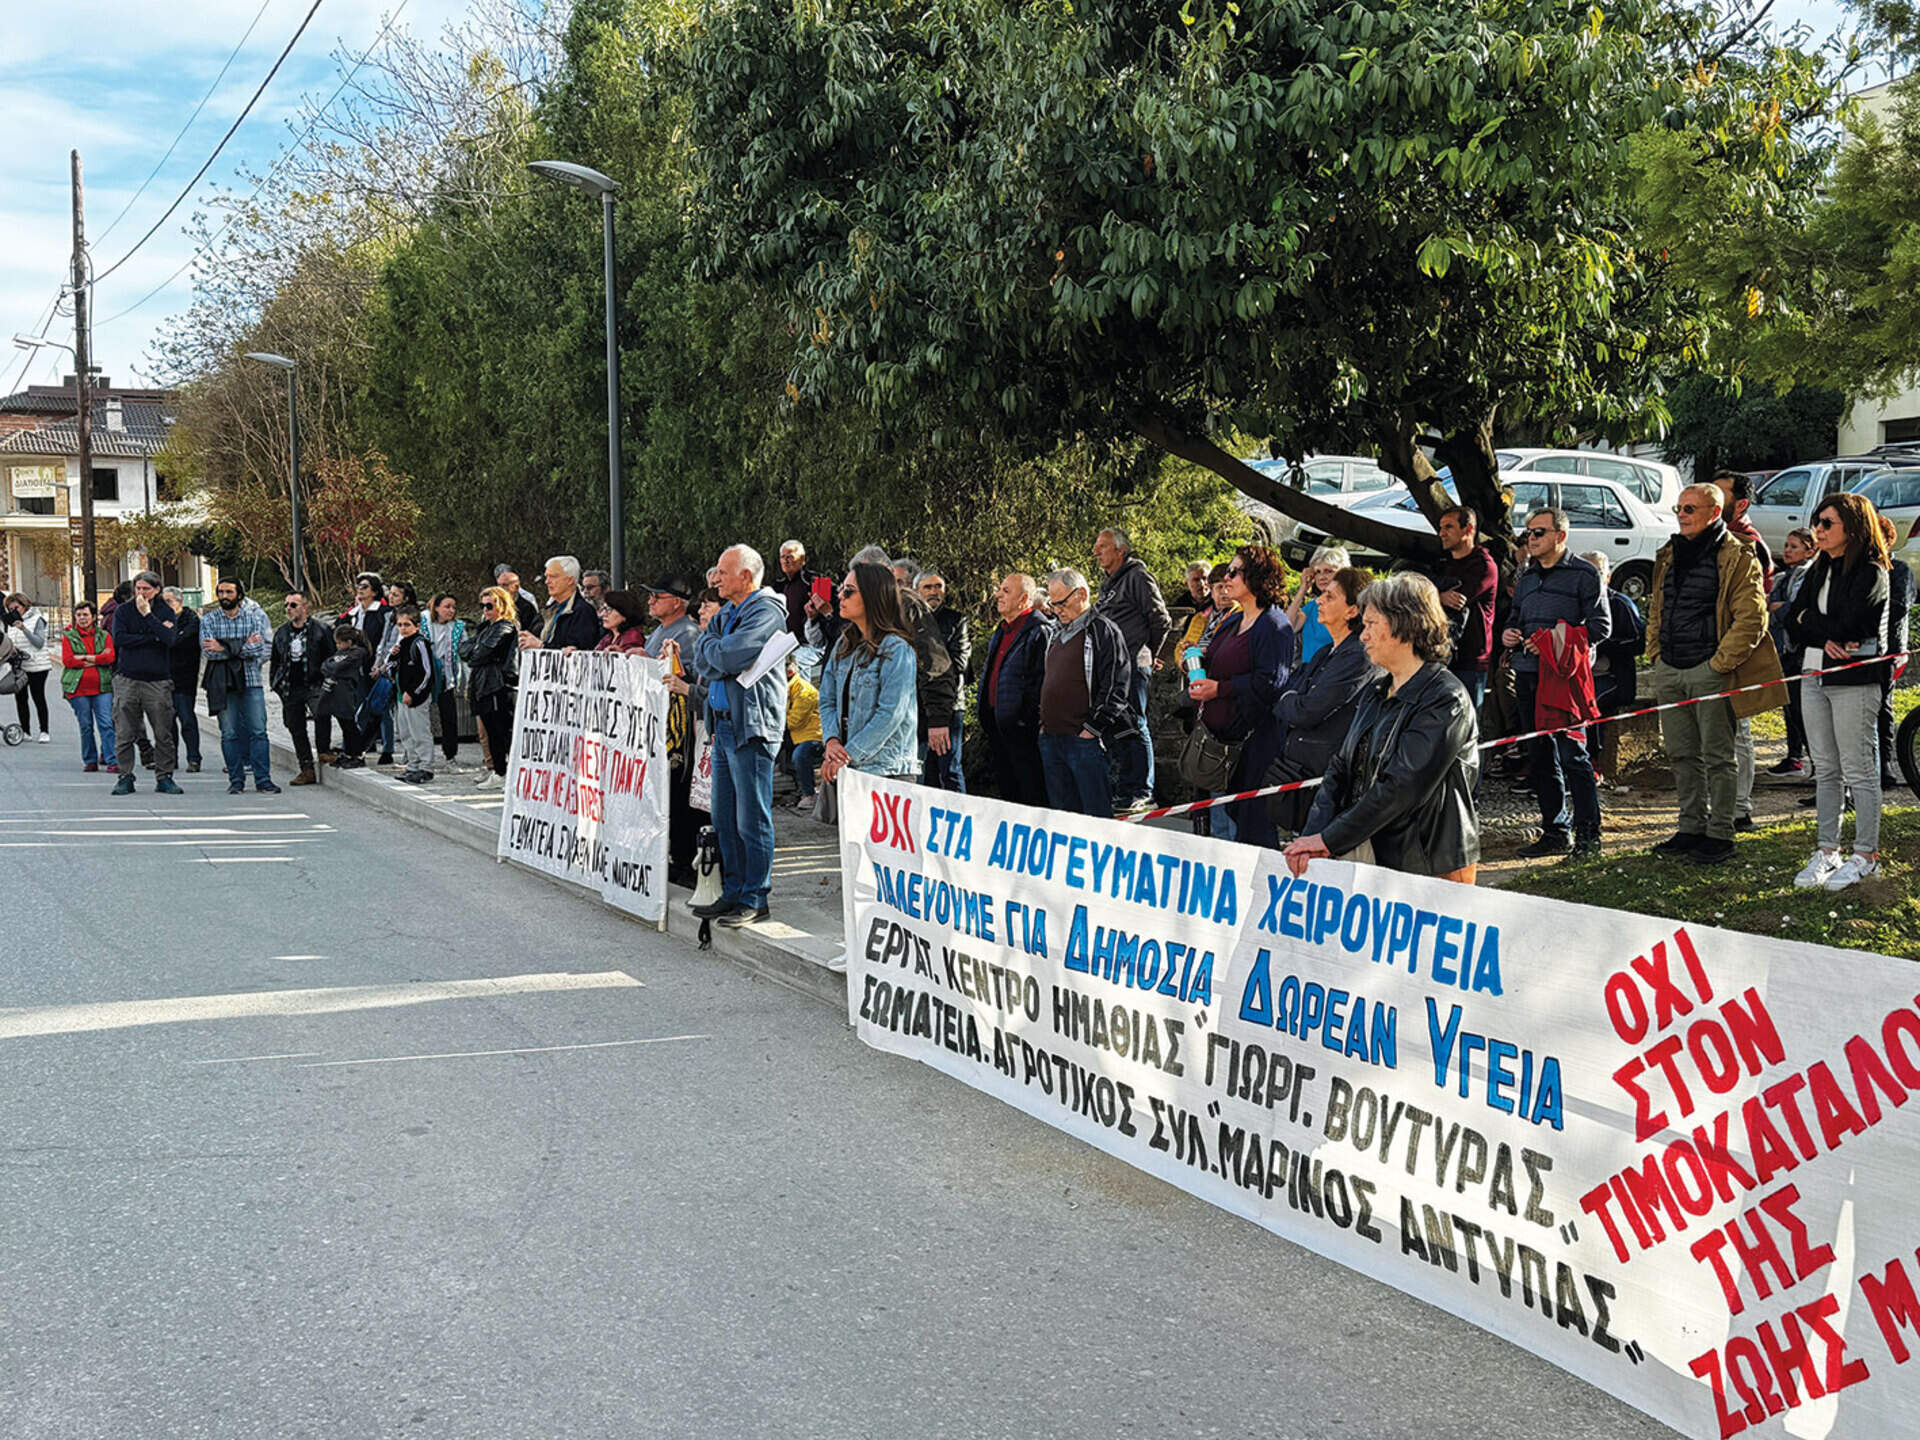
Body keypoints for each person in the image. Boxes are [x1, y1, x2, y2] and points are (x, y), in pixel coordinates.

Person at [1284, 574, 1480, 881]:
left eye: (1372, 624)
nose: (1363, 635)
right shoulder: (1377, 691)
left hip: (1429, 865)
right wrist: (1313, 836)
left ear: (1405, 623)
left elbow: (1402, 786)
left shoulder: (1446, 698)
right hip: (1372, 853)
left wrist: (1328, 840)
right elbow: (1340, 768)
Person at [1644, 485, 1773, 864]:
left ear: (1714, 512)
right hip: (1671, 665)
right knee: (1681, 754)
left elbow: (1752, 617)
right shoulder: (1668, 553)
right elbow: (1657, 606)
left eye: (1690, 508)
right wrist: (1656, 653)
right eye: (1678, 507)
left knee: (1718, 756)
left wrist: (1718, 664)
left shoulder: (1736, 555)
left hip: (1709, 668)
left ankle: (1720, 832)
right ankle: (1690, 827)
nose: (1681, 514)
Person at [1786, 491, 1892, 891]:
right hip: (1814, 673)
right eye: (1817, 521)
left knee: (1859, 769)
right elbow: (1793, 618)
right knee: (1826, 768)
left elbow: (1853, 623)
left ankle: (1865, 853)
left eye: (1827, 523)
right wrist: (1818, 627)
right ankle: (1827, 849)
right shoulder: (1817, 568)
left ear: (1853, 526)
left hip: (1854, 680)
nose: (1819, 530)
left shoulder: (1871, 570)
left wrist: (1813, 622)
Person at [1503, 507, 1610, 858]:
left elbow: (1600, 627)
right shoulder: (1527, 576)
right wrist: (1510, 633)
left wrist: (1551, 639)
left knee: (1572, 756)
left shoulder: (1584, 574)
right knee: (1540, 756)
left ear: (1560, 536)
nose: (1530, 539)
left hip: (1562, 680)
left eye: (1538, 532)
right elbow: (1514, 616)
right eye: (1528, 532)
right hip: (1527, 675)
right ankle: (1555, 831)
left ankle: (1589, 836)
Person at [692, 544, 790, 928]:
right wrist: (717, 650)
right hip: (723, 724)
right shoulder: (730, 611)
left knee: (752, 818)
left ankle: (755, 896)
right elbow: (707, 654)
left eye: (723, 571)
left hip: (750, 726)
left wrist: (716, 651)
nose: (716, 578)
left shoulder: (765, 612)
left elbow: (731, 656)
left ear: (746, 576)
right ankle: (732, 891)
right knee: (724, 816)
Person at [1186, 545, 1293, 846]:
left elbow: (1272, 683)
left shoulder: (1274, 626)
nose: (1227, 578)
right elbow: (1218, 661)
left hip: (1252, 748)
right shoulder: (1232, 620)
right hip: (1221, 745)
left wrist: (1220, 689)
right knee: (1223, 826)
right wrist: (1195, 661)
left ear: (1256, 577)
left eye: (1234, 572)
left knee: (1251, 831)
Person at [1270, 567, 1377, 836]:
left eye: (1329, 596)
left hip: (1328, 791)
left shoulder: (1358, 657)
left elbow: (1306, 710)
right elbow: (1290, 694)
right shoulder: (1325, 653)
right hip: (1301, 779)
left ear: (1353, 610)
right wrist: (1290, 699)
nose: (1319, 600)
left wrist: (1289, 700)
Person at [819, 562, 920, 796]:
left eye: (849, 591)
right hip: (849, 766)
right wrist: (832, 742)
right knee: (847, 834)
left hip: (887, 771)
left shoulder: (897, 649)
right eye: (841, 589)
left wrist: (847, 754)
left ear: (873, 596)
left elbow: (890, 713)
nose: (840, 596)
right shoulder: (844, 645)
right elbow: (827, 699)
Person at [1038, 567, 1131, 817]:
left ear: (1081, 594)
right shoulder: (1055, 632)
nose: (1056, 609)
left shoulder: (1103, 630)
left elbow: (1116, 686)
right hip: (1052, 738)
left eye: (1061, 602)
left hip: (1084, 741)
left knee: (1095, 819)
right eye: (1052, 603)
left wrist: (1091, 730)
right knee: (1062, 818)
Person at [1092, 527, 1171, 809]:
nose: (1095, 552)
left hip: (1133, 664)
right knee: (1120, 725)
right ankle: (1126, 787)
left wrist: (1147, 652)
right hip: (1111, 669)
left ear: (1120, 550)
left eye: (1102, 546)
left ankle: (1142, 790)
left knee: (1137, 723)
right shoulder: (1107, 584)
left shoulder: (1137, 576)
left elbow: (1161, 619)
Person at [977, 572, 1054, 807]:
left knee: (1031, 795)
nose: (998, 595)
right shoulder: (1001, 631)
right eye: (1000, 589)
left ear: (1024, 599)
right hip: (998, 728)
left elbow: (1041, 683)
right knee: (1009, 795)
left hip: (1023, 732)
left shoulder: (1039, 632)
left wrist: (1025, 719)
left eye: (1006, 591)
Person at [647, 575, 704, 888]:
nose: (652, 600)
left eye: (658, 595)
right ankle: (674, 855)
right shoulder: (659, 631)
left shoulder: (689, 633)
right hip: (660, 726)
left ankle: (685, 860)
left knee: (681, 797)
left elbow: (692, 677)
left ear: (677, 602)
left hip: (680, 730)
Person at [199, 577, 278, 795]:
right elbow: (208, 652)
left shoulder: (253, 618)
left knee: (258, 731)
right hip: (222, 683)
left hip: (251, 681)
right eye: (221, 592)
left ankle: (263, 780)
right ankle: (236, 780)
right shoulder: (210, 620)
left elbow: (257, 650)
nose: (224, 596)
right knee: (230, 732)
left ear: (239, 595)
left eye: (229, 592)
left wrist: (223, 647)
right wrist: (240, 647)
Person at [108, 572, 183, 795]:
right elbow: (120, 640)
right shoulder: (123, 611)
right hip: (128, 678)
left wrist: (148, 616)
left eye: (146, 589)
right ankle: (125, 776)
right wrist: (152, 637)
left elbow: (169, 639)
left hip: (157, 681)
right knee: (124, 732)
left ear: (157, 589)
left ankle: (164, 776)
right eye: (138, 589)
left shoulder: (164, 611)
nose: (141, 593)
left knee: (163, 732)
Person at [1580, 553, 1645, 790]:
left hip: (1613, 677)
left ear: (1607, 577)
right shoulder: (1575, 600)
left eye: (1597, 572)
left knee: (1588, 703)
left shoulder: (1620, 603)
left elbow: (1640, 642)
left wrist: (1602, 642)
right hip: (1580, 675)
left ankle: (1593, 762)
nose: (1592, 577)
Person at [1433, 508, 1498, 711]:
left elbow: (1458, 599)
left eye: (1449, 527)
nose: (1441, 533)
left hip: (1471, 660)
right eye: (1441, 527)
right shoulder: (1443, 563)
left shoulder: (1484, 566)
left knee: (1467, 723)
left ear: (1468, 529)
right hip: (1442, 654)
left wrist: (1435, 592)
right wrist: (1439, 595)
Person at [270, 591, 333, 786]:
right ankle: (306, 768)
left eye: (293, 605)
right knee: (295, 726)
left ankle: (323, 749)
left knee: (322, 712)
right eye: (286, 605)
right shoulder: (281, 632)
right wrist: (276, 683)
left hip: (314, 682)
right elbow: (276, 660)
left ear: (306, 607)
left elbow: (330, 656)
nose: (289, 609)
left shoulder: (321, 630)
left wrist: (328, 681)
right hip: (290, 685)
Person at [460, 586, 521, 789]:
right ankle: (498, 771)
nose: (485, 610)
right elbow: (465, 649)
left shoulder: (506, 626)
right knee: (491, 730)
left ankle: (505, 772)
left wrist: (477, 650)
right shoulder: (486, 627)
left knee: (502, 731)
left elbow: (482, 651)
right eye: (482, 606)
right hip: (483, 683)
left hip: (498, 684)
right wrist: (477, 649)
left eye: (489, 605)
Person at [1766, 528, 1815, 779]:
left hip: (1800, 651)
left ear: (1810, 550)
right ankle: (1794, 756)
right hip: (1781, 649)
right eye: (1786, 545)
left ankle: (1816, 760)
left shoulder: (1809, 576)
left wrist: (1782, 608)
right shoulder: (1783, 577)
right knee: (1788, 706)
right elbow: (1771, 607)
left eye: (1794, 546)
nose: (1787, 550)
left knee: (1801, 707)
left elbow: (1798, 610)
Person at [916, 570, 970, 792]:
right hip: (918, 705)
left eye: (938, 586)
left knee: (950, 769)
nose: (934, 591)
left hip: (950, 704)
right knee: (923, 769)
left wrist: (929, 662)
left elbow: (960, 663)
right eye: (928, 587)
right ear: (917, 591)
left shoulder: (956, 619)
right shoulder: (910, 620)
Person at [1876, 513, 1913, 791]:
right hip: (1861, 651)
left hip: (1889, 649)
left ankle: (1885, 764)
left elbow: (1900, 607)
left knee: (1882, 706)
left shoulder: (1899, 570)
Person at [59, 601, 116, 772]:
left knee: (106, 723)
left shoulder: (104, 636)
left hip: (102, 687)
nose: (82, 618)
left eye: (85, 615)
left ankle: (111, 759)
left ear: (93, 617)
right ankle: (90, 759)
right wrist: (97, 658)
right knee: (86, 725)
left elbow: (110, 657)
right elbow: (68, 660)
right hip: (78, 689)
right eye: (79, 615)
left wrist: (84, 657)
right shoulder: (69, 636)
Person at [388, 604, 437, 784]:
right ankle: (413, 765)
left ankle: (426, 767)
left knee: (420, 732)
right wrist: (393, 657)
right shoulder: (401, 644)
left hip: (416, 697)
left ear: (417, 625)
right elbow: (393, 669)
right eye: (400, 625)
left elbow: (426, 672)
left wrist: (414, 693)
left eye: (407, 625)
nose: (403, 628)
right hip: (401, 696)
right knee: (406, 733)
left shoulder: (420, 643)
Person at [159, 588, 205, 773]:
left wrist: (169, 636)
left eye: (169, 601)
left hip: (185, 677)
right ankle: (171, 758)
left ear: (179, 601)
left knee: (186, 718)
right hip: (164, 676)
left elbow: (180, 641)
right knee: (167, 722)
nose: (166, 605)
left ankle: (194, 758)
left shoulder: (191, 619)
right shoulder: (161, 619)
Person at [1285, 546, 1350, 666]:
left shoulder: (1348, 607)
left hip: (1330, 672)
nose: (1322, 577)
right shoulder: (1313, 606)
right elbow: (1288, 626)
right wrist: (1303, 588)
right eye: (1317, 572)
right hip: (1306, 674)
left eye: (1328, 571)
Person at [318, 627, 373, 768]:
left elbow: (336, 667)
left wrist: (332, 668)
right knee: (338, 722)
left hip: (346, 692)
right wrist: (331, 667)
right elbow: (325, 665)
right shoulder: (341, 653)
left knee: (348, 724)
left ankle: (357, 754)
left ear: (349, 642)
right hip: (333, 692)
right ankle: (348, 753)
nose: (337, 646)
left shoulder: (357, 653)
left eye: (339, 643)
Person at [523, 555, 601, 653]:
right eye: (546, 576)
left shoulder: (583, 612)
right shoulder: (548, 610)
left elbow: (580, 653)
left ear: (570, 580)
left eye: (553, 576)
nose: (547, 582)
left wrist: (541, 646)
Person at [424, 595, 466, 771]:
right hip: (426, 676)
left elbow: (464, 652)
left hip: (446, 677)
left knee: (449, 718)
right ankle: (419, 755)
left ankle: (450, 756)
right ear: (436, 608)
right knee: (421, 717)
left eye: (453, 607)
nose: (451, 611)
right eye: (447, 606)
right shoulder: (424, 624)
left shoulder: (457, 628)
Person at [3, 593, 53, 742]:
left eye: (16, 608)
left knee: (38, 697)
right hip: (20, 665)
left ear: (24, 605)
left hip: (37, 665)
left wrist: (23, 628)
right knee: (21, 698)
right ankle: (25, 731)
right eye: (10, 609)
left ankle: (44, 731)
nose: (14, 612)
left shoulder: (37, 619)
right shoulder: (10, 623)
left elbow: (38, 642)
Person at [787, 657, 826, 811]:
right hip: (796, 735)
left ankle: (809, 794)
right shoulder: (788, 687)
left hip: (813, 737)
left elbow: (794, 721)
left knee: (800, 755)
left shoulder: (803, 691)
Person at [776, 540, 828, 640]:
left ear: (802, 559)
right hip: (784, 642)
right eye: (782, 557)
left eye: (790, 557)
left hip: (810, 644)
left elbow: (828, 614)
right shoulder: (779, 585)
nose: (785, 561)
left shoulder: (815, 581)